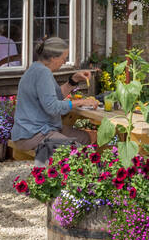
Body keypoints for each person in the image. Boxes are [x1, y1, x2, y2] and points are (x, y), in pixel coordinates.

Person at [10, 36, 96, 166]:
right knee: (76, 151)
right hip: (34, 135)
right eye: (63, 58)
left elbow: (54, 96)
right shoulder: (43, 73)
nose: (64, 61)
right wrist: (81, 102)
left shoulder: (35, 68)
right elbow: (52, 107)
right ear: (53, 58)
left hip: (33, 131)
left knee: (87, 137)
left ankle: (65, 177)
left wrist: (73, 80)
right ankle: (63, 180)